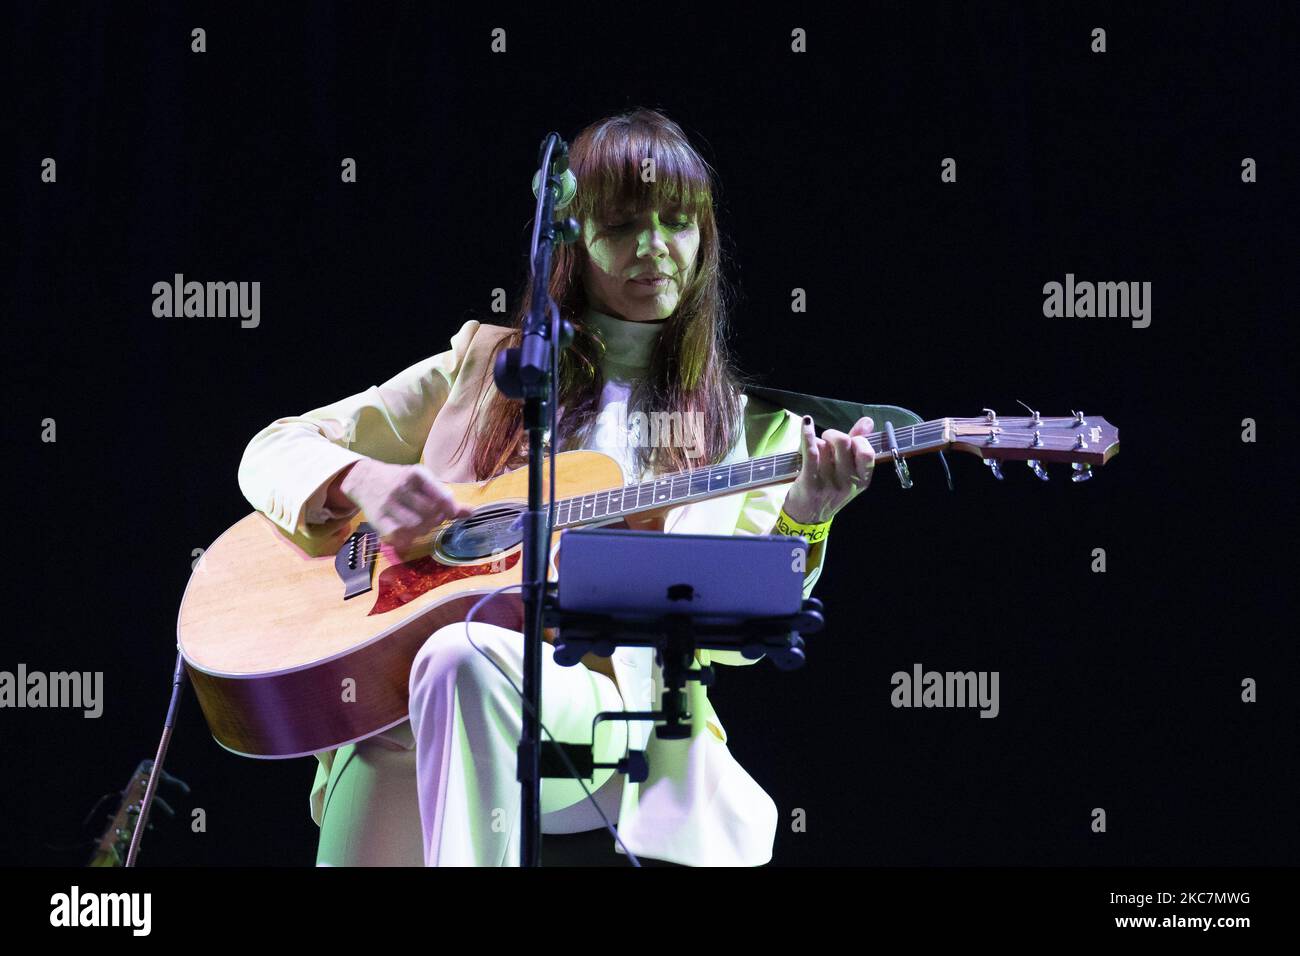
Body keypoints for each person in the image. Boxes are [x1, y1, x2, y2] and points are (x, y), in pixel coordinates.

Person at [237, 108, 876, 867]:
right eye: (622, 225)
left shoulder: (735, 426)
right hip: (402, 701)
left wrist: (806, 516)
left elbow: (733, 638)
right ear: (571, 243)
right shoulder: (483, 365)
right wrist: (363, 478)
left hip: (611, 720)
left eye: (678, 224)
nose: (654, 250)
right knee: (416, 693)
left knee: (458, 658)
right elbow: (273, 447)